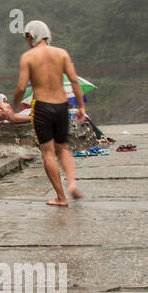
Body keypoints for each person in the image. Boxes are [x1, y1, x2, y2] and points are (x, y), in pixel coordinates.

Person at [12, 19, 86, 206]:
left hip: (42, 106)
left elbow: (21, 87)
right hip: (61, 105)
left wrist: (13, 106)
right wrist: (81, 107)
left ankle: (61, 197)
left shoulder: (28, 57)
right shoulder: (61, 53)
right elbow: (74, 81)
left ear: (31, 36)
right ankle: (72, 183)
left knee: (48, 153)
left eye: (27, 38)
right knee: (63, 147)